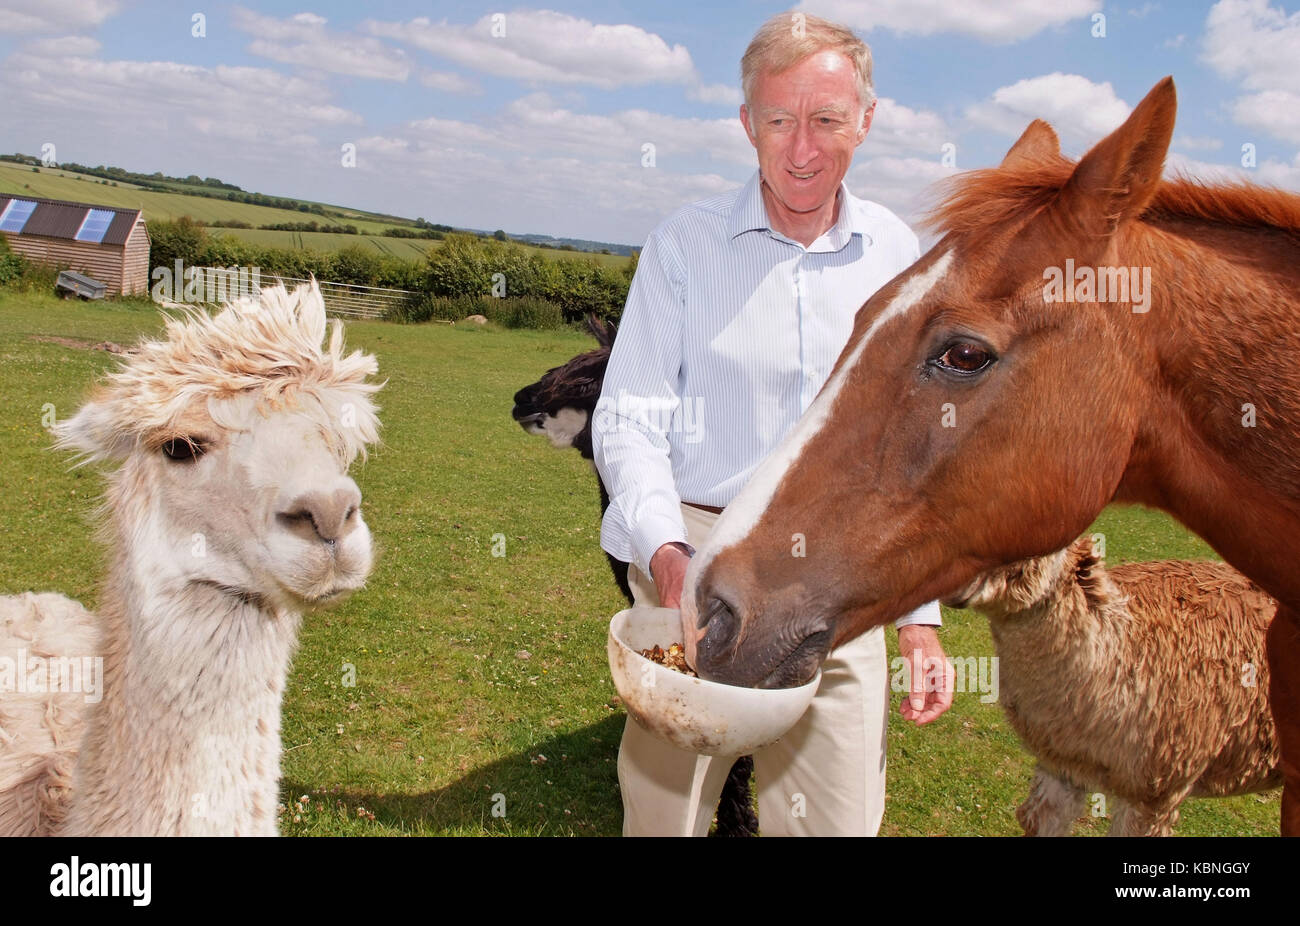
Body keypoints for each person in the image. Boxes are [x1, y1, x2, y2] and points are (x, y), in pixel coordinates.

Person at [593, 11, 954, 836]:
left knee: (836, 822)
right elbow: (629, 418)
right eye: (780, 120)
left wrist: (921, 622)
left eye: (826, 120)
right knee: (666, 818)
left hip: (840, 578)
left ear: (866, 120)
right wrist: (670, 558)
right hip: (700, 559)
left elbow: (914, 456)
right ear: (747, 121)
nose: (802, 148)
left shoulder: (900, 255)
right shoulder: (685, 246)